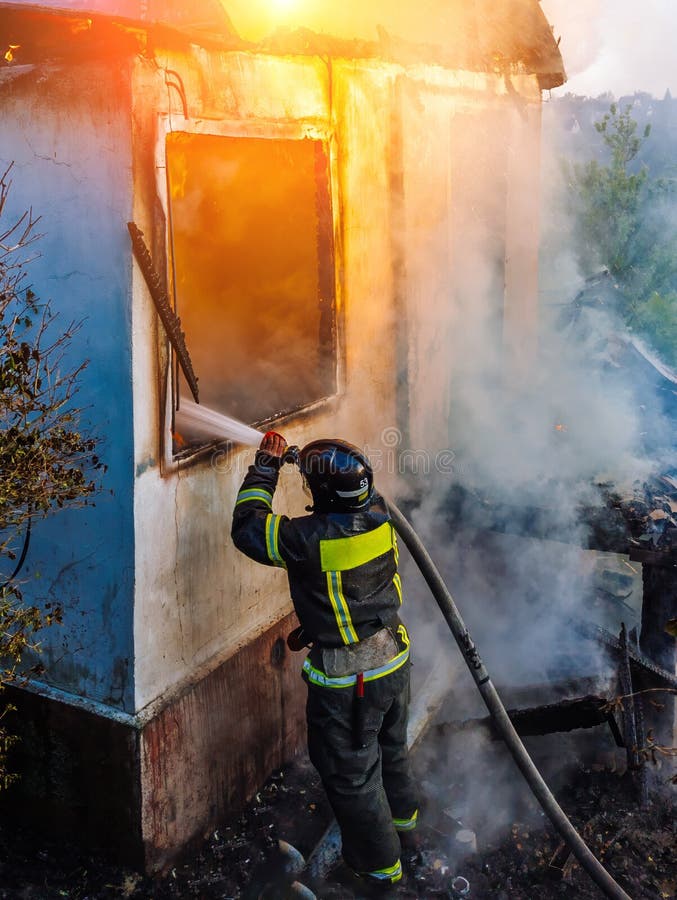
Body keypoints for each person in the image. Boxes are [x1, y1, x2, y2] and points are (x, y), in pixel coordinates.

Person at [231, 431, 419, 893]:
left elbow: (249, 528)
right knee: (390, 753)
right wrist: (320, 624)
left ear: (322, 495)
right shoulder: (379, 513)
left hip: (351, 681)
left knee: (352, 777)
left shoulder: (307, 538)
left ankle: (379, 874)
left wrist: (265, 467)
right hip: (392, 657)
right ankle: (406, 831)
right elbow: (350, 588)